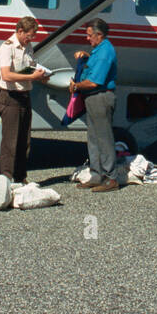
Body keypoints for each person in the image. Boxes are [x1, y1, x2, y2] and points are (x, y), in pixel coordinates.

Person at [0, 16, 48, 184]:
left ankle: (20, 177)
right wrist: (32, 76)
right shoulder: (7, 48)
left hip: (25, 96)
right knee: (10, 141)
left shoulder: (28, 47)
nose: (31, 39)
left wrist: (40, 76)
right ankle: (6, 178)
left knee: (23, 140)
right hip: (10, 97)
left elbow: (28, 69)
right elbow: (6, 75)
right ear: (20, 31)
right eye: (30, 35)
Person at [69, 18, 119, 191]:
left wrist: (76, 86)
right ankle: (97, 174)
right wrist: (86, 56)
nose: (87, 38)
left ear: (99, 35)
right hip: (92, 98)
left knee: (104, 138)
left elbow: (94, 82)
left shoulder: (105, 52)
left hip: (100, 96)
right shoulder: (98, 50)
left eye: (89, 35)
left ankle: (111, 178)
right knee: (93, 138)